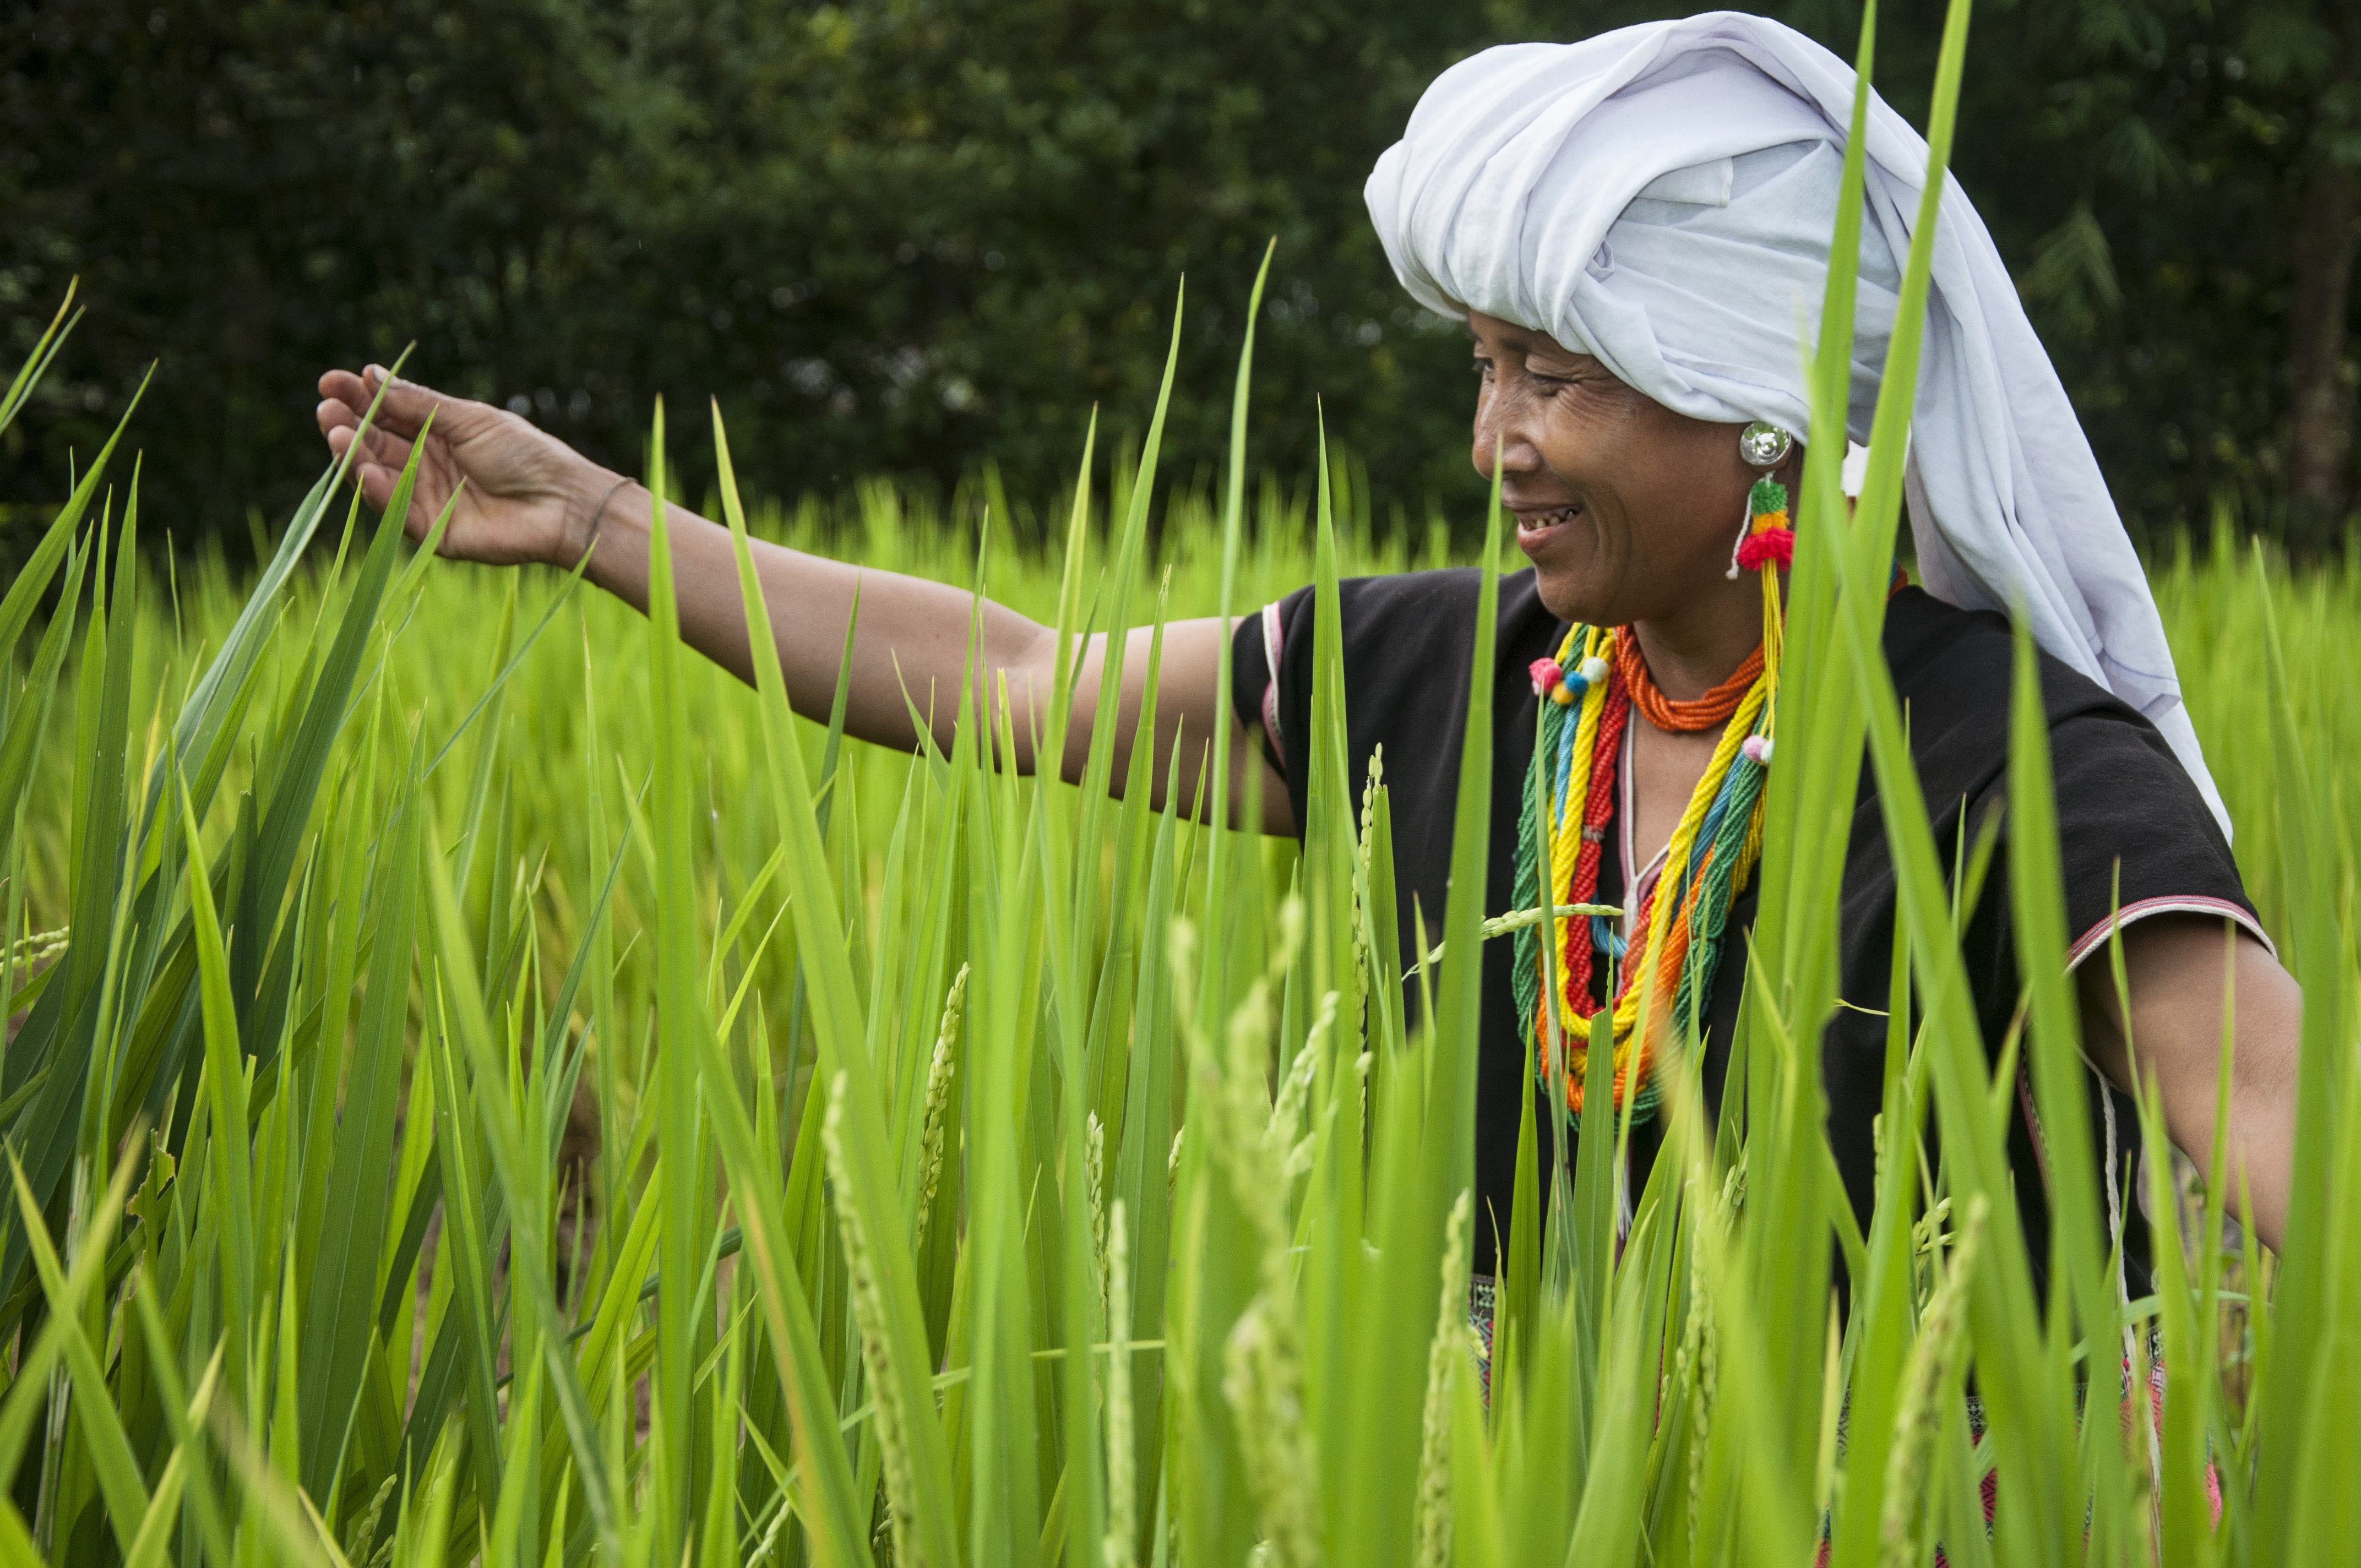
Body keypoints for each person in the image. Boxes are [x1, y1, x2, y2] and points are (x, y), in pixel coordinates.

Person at [315, 14, 2297, 1305]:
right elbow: (1015, 681)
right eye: (1487, 371)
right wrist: (598, 523)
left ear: (1760, 405)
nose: (1500, 445)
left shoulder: (2021, 775)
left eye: (1566, 382)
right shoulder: (1454, 680)